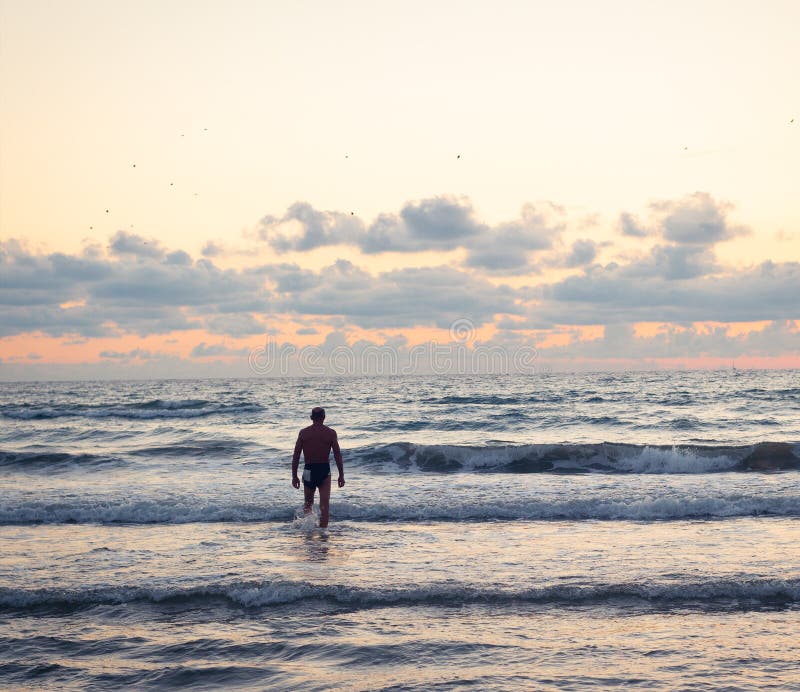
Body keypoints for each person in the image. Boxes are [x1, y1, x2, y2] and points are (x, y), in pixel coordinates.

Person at [292, 407, 344, 528]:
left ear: (311, 418)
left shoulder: (303, 433)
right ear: (324, 417)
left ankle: (308, 531)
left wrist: (294, 476)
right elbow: (337, 455)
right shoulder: (330, 433)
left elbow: (296, 455)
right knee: (324, 506)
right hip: (324, 470)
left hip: (309, 470)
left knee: (308, 504)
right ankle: (323, 534)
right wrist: (341, 475)